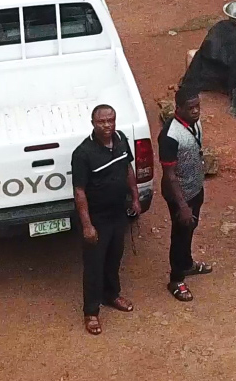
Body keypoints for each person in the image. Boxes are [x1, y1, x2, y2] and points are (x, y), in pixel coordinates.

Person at [71, 104, 141, 334]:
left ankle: (112, 295)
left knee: (114, 257)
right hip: (97, 217)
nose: (107, 125)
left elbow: (127, 169)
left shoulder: (120, 140)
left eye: (111, 120)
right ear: (93, 123)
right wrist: (87, 225)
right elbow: (79, 191)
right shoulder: (83, 154)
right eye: (102, 121)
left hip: (117, 213)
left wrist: (135, 197)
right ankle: (91, 312)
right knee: (94, 265)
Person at [160, 86, 210, 302]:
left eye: (198, 106)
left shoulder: (194, 122)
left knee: (191, 227)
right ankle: (176, 278)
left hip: (195, 188)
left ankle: (187, 263)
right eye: (191, 108)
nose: (196, 111)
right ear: (178, 108)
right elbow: (170, 175)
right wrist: (182, 206)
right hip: (179, 194)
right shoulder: (170, 136)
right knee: (179, 234)